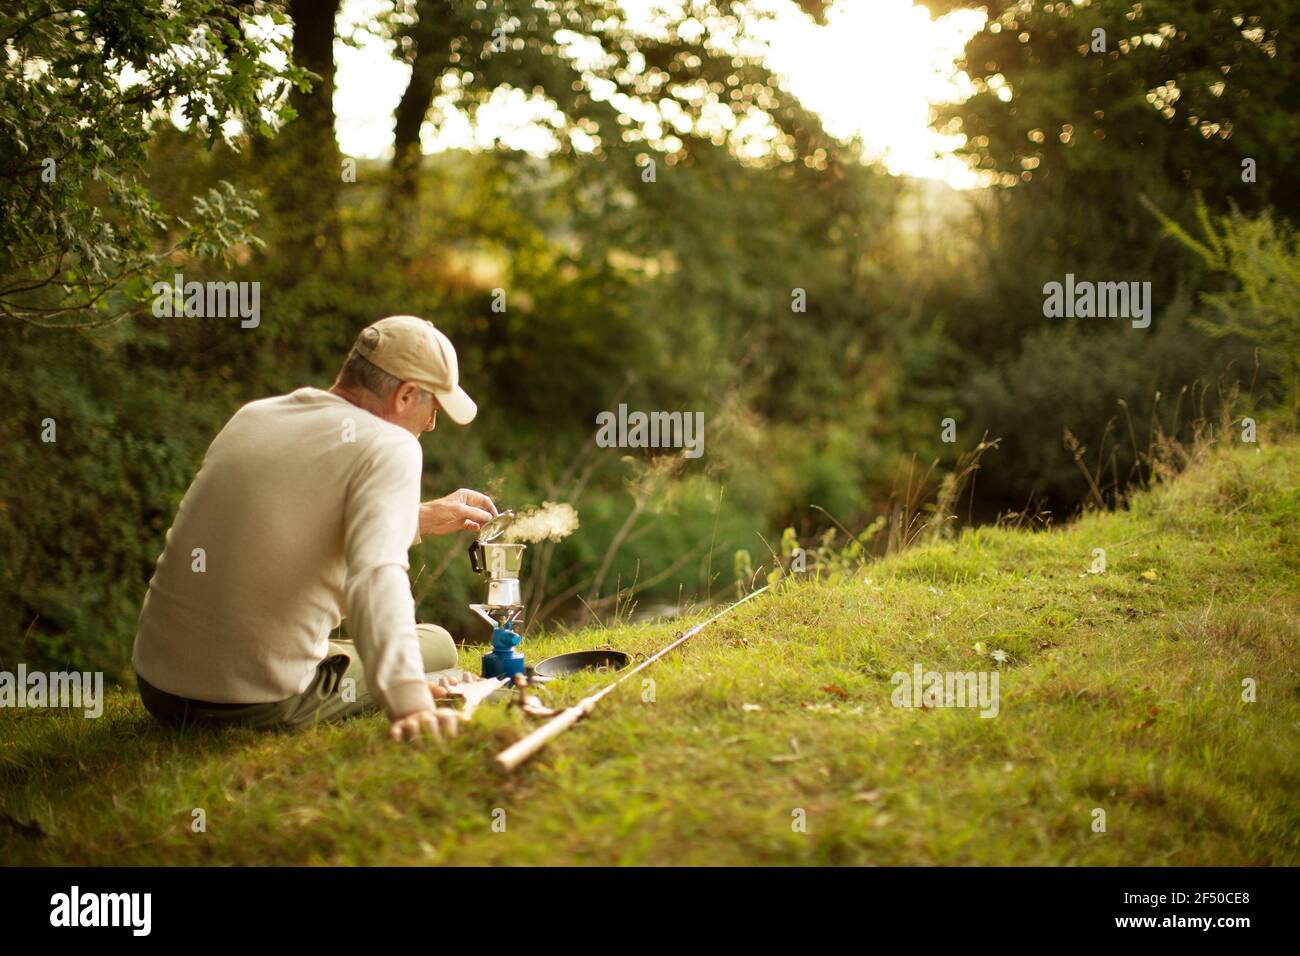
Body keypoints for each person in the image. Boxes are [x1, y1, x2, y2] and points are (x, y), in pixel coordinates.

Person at [132, 315, 496, 742]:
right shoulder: (391, 446)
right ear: (406, 395)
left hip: (157, 685)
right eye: (432, 408)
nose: (431, 425)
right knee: (436, 644)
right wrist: (409, 700)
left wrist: (418, 517)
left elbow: (279, 520)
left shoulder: (256, 416)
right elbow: (376, 577)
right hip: (252, 700)